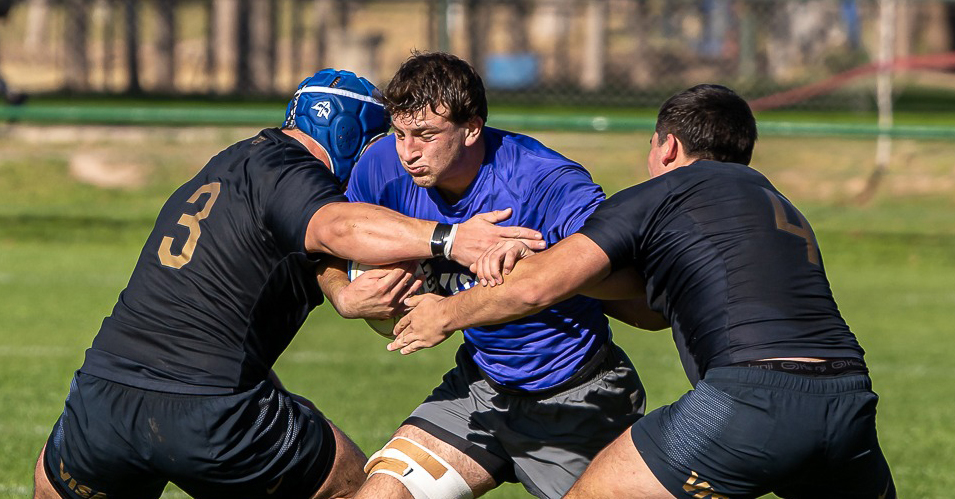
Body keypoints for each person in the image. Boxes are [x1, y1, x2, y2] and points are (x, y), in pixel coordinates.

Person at [32, 68, 544, 499]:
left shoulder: (235, 162)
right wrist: (452, 239)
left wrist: (342, 294)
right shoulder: (292, 172)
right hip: (212, 410)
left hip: (101, 398)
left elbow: (300, 248)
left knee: (52, 481)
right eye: (380, 142)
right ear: (349, 135)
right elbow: (336, 228)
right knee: (355, 486)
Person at [394, 84, 897, 498]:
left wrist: (446, 313)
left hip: (749, 400)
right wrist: (536, 255)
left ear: (667, 147)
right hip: (849, 401)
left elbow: (537, 289)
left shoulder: (662, 193)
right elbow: (641, 292)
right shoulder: (775, 202)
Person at [318, 51, 649, 499]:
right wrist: (343, 292)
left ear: (472, 127)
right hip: (479, 391)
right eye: (399, 133)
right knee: (383, 493)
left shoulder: (547, 182)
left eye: (426, 135)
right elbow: (327, 237)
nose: (408, 152)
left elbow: (633, 280)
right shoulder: (383, 165)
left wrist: (545, 262)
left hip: (577, 401)